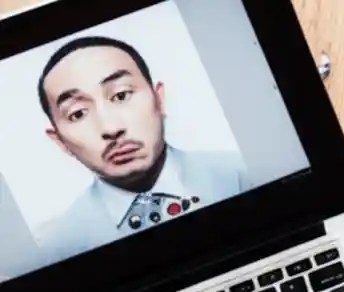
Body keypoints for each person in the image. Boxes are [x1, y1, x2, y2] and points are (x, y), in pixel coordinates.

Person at [35, 36, 247, 261]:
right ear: (60, 141)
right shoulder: (58, 250)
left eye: (121, 95)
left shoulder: (245, 173)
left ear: (159, 99)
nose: (111, 128)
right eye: (78, 113)